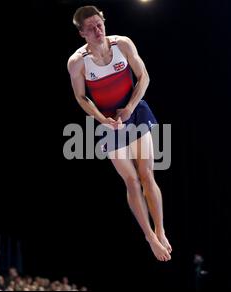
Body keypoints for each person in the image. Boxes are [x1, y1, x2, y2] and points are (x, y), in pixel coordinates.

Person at [67, 6, 172, 261]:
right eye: (90, 28)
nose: (97, 30)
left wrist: (130, 108)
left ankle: (160, 230)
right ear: (82, 33)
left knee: (147, 174)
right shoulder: (78, 61)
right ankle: (148, 236)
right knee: (131, 181)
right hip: (108, 121)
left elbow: (143, 76)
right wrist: (103, 120)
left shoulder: (122, 44)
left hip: (133, 111)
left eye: (99, 24)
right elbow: (81, 97)